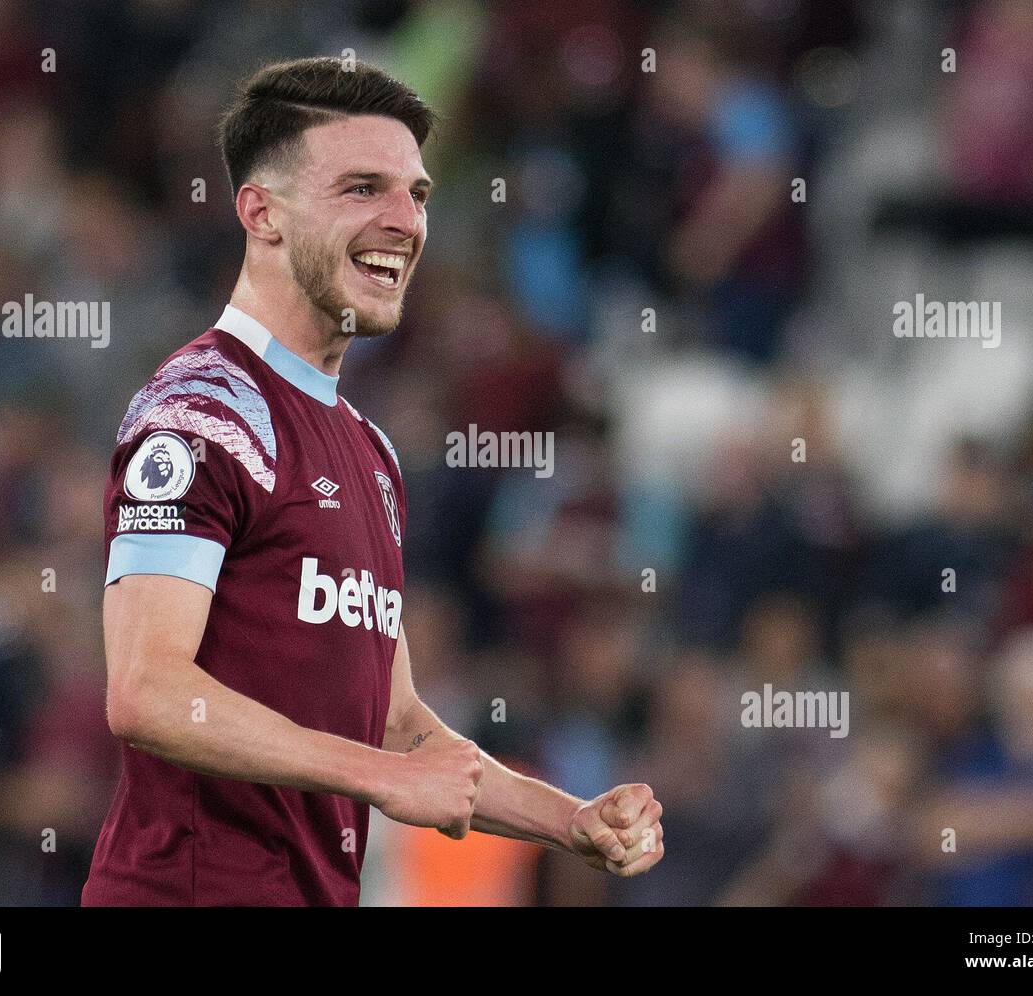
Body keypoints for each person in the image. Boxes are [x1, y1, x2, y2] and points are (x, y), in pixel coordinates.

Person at [80, 57, 664, 906]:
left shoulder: (370, 453)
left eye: (417, 194)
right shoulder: (202, 412)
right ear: (261, 211)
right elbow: (147, 693)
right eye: (362, 188)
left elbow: (396, 723)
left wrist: (567, 819)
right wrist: (378, 777)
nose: (405, 221)